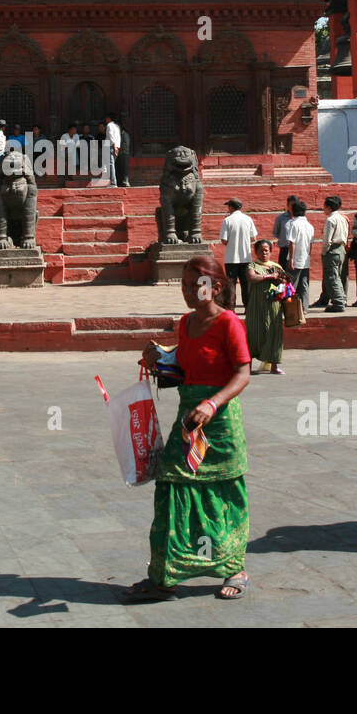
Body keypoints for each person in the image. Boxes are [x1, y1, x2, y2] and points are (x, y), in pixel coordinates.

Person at [124, 255, 251, 602]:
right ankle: (165, 576)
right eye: (183, 286)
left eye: (194, 285)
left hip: (220, 422)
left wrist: (213, 403)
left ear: (216, 287)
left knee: (222, 496)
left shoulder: (229, 324)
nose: (187, 293)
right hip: (188, 421)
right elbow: (182, 365)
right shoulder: (185, 323)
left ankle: (233, 567)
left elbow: (243, 373)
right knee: (170, 491)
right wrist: (158, 361)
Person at [246, 239, 288, 374]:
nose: (264, 253)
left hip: (273, 306)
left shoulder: (277, 267)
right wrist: (270, 276)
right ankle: (248, 366)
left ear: (270, 252)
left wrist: (281, 279)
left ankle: (274, 366)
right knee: (253, 334)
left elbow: (285, 281)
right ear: (256, 252)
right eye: (261, 250)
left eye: (266, 250)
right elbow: (252, 278)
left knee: (274, 333)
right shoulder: (252, 266)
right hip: (256, 306)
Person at [219, 198, 258, 310]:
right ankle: (248, 307)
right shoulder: (248, 219)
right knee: (246, 284)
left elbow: (224, 240)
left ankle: (231, 307)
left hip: (231, 257)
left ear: (231, 207)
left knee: (231, 284)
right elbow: (254, 237)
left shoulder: (227, 220)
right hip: (246, 256)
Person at [315, 196, 348, 312]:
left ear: (329, 207)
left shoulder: (330, 220)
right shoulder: (343, 218)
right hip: (341, 249)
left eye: (324, 206)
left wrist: (324, 252)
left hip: (332, 250)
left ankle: (339, 302)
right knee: (336, 276)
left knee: (332, 277)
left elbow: (327, 240)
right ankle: (340, 299)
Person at [286, 200, 314, 303]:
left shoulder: (293, 224)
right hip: (305, 259)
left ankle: (289, 307)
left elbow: (292, 243)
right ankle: (304, 307)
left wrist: (291, 259)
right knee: (304, 284)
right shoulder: (310, 226)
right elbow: (311, 244)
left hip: (295, 259)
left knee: (291, 285)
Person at [273, 196, 297, 272]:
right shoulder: (280, 218)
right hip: (284, 249)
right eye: (291, 205)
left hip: (297, 250)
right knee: (283, 273)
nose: (293, 207)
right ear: (287, 205)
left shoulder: (300, 218)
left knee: (295, 273)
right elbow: (276, 233)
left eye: (295, 205)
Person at [104, 112, 121, 187]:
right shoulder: (117, 126)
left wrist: (114, 146)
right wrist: (117, 147)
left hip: (111, 146)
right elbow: (118, 137)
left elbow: (111, 136)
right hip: (116, 147)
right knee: (112, 164)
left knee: (111, 165)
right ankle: (112, 181)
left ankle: (113, 183)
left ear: (109, 118)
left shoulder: (109, 125)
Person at [116, 123, 131, 188]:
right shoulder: (118, 135)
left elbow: (126, 145)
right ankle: (120, 182)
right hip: (119, 154)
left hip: (124, 154)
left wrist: (118, 148)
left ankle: (125, 181)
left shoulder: (125, 134)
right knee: (119, 168)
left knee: (124, 169)